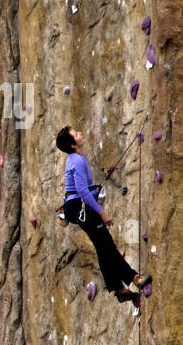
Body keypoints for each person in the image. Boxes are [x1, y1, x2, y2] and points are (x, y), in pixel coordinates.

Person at [56, 126, 149, 305]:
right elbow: (82, 191)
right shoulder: (76, 161)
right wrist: (102, 212)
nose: (80, 133)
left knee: (103, 246)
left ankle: (119, 288)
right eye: (76, 134)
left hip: (77, 206)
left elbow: (84, 188)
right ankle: (133, 279)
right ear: (73, 145)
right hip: (78, 207)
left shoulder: (79, 157)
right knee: (105, 244)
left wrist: (96, 190)